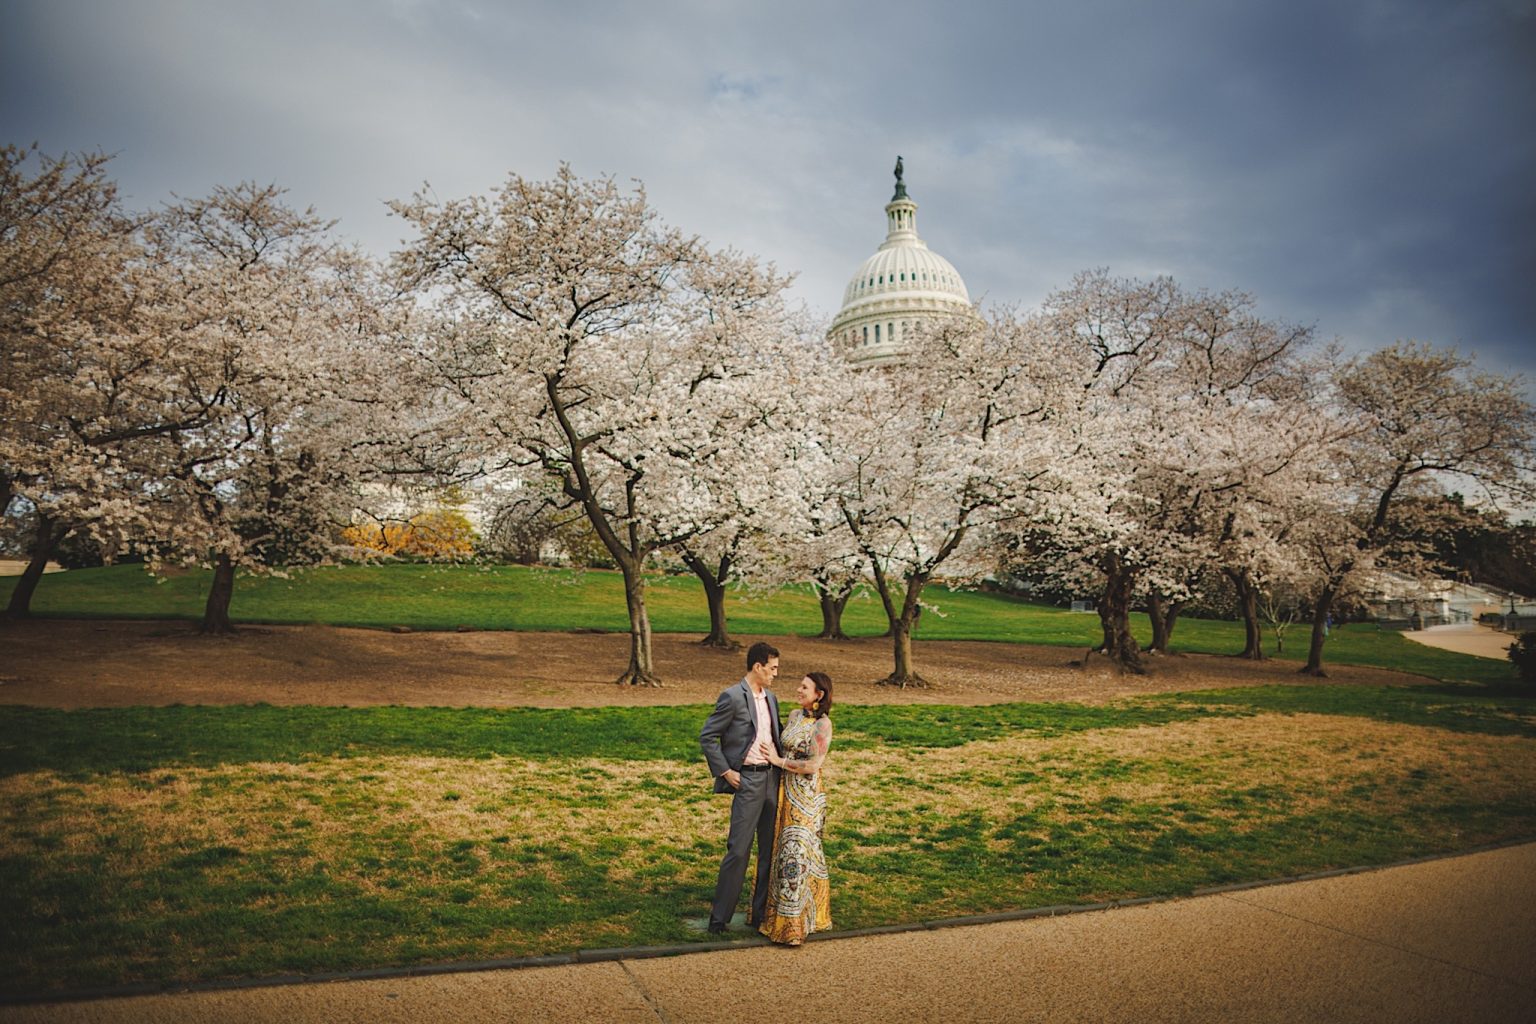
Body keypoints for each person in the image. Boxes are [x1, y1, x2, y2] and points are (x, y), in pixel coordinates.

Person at [699, 641, 784, 934]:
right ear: (758, 667)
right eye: (772, 669)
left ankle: (759, 915)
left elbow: (777, 735)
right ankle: (719, 919)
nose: (775, 674)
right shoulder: (733, 696)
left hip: (773, 779)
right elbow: (708, 736)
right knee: (739, 850)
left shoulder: (772, 698)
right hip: (747, 780)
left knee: (769, 851)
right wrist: (725, 771)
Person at [754, 671, 834, 946]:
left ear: (819, 695)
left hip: (806, 796)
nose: (798, 690)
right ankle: (774, 917)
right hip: (783, 791)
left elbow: (813, 765)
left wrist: (778, 762)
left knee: (796, 853)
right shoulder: (794, 716)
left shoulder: (823, 726)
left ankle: (793, 926)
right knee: (781, 851)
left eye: (804, 687)